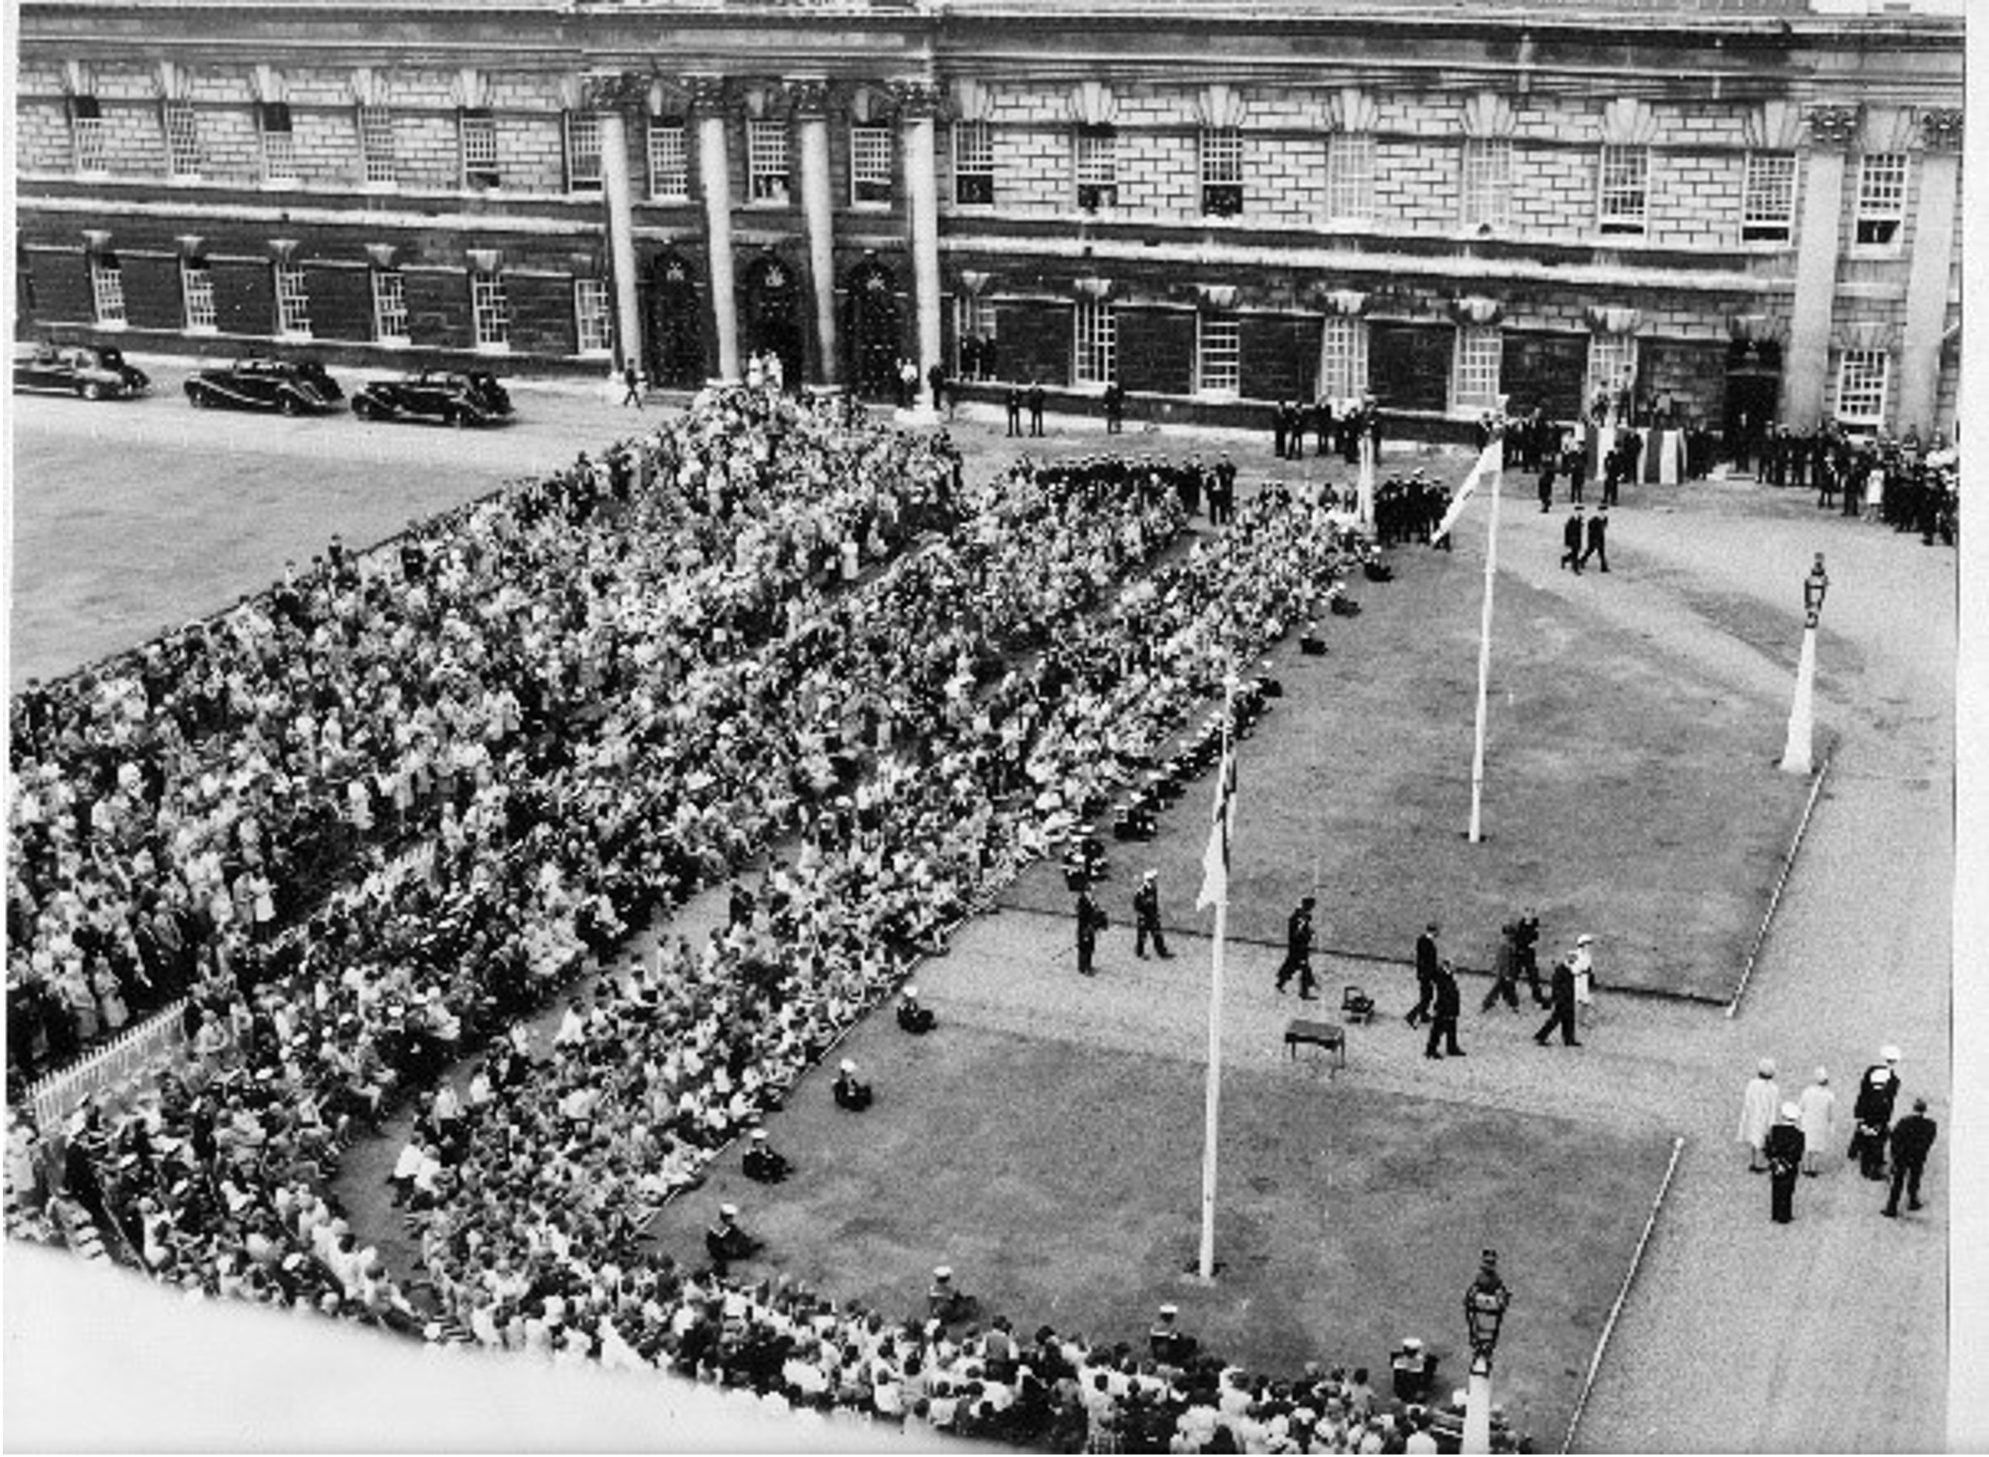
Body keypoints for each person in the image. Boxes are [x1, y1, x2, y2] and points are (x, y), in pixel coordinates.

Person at [1850, 1045, 1903, 1181]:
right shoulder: (1894, 1081)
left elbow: (1862, 1093)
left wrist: (1859, 1114)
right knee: (1876, 1142)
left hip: (1866, 1113)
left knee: (1863, 1134)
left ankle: (1856, 1152)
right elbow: (1890, 1101)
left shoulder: (1871, 1071)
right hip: (1879, 1118)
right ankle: (1871, 1168)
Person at [1882, 1098, 1937, 1217]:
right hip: (1918, 1157)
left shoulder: (1904, 1122)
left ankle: (1891, 1208)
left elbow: (1895, 1139)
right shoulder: (1931, 1125)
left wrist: (1894, 1156)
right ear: (1925, 1110)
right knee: (1914, 1179)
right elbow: (1929, 1141)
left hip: (1903, 1156)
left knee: (1898, 1182)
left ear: (1913, 1108)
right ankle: (1913, 1201)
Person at [1737, 1058, 1780, 1172]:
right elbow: (1773, 1107)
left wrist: (1746, 1115)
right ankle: (1759, 1164)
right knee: (1761, 1141)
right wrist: (1772, 1123)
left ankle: (1754, 1161)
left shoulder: (1752, 1084)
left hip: (1753, 1115)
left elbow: (1748, 1101)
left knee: (1754, 1138)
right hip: (1764, 1117)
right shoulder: (1773, 1088)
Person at [1765, 1102, 1805, 1224]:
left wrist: (1773, 1160)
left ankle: (1775, 1213)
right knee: (1787, 1191)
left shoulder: (1774, 1130)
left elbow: (1768, 1146)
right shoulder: (1799, 1135)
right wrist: (1788, 1163)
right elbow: (1798, 1154)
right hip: (1790, 1166)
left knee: (1775, 1188)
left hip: (1775, 1164)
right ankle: (1785, 1215)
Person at [1275, 896, 1318, 999]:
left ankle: (1281, 983)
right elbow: (1298, 933)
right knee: (1303, 968)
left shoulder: (1300, 916)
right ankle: (1304, 992)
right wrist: (1309, 935)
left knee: (1292, 966)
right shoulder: (1300, 918)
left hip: (1296, 948)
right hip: (1299, 948)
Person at [1533, 956, 1580, 1047]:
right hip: (1562, 999)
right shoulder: (1561, 970)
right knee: (1555, 1020)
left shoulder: (1571, 970)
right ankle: (1540, 1036)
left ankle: (1569, 1039)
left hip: (1569, 998)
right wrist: (1558, 998)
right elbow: (1556, 986)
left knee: (1568, 1019)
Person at [1797, 1068, 1835, 1176]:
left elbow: (1800, 1107)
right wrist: (1831, 1126)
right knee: (1817, 1148)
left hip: (1807, 1123)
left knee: (1807, 1146)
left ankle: (1805, 1166)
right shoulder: (1829, 1096)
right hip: (1821, 1124)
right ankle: (1813, 1168)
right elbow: (1830, 1115)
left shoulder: (1807, 1091)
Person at [1423, 960, 1463, 1060]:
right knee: (1437, 1029)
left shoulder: (1447, 976)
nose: (1454, 969)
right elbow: (1445, 993)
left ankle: (1451, 1047)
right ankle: (1431, 1050)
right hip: (1444, 1007)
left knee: (1451, 1028)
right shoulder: (1442, 977)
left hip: (1449, 1006)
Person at [1483, 922, 1523, 1013]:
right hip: (1504, 972)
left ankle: (1511, 1005)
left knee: (1505, 988)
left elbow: (1504, 960)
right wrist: (1507, 974)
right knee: (1501, 988)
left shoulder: (1507, 945)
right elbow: (1504, 961)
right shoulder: (1506, 946)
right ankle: (1487, 1004)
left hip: (1504, 972)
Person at [1132, 870, 1172, 960]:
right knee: (1142, 936)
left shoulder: (1153, 889)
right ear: (1148, 880)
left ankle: (1162, 952)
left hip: (1152, 916)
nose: (1155, 881)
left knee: (1157, 934)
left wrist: (1156, 913)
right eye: (1153, 879)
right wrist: (1141, 916)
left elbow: (1154, 903)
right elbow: (1136, 905)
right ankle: (1139, 952)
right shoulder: (1140, 892)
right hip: (1144, 917)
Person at [1406, 922, 1440, 1027]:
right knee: (1427, 996)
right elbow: (1427, 963)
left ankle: (1423, 1014)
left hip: (1424, 974)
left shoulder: (1422, 940)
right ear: (1433, 931)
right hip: (1426, 975)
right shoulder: (1427, 943)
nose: (1438, 933)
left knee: (1427, 995)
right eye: (1437, 931)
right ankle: (1412, 1015)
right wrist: (1431, 976)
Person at [705, 1203, 759, 1267]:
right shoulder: (725, 1228)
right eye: (730, 1217)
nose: (732, 1219)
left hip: (715, 1251)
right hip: (720, 1252)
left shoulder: (717, 1225)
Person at [1074, 887, 1107, 976]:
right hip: (1084, 928)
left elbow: (1096, 911)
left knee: (1090, 947)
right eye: (1089, 891)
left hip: (1091, 928)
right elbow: (1082, 915)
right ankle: (1083, 968)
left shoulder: (1092, 901)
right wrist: (1087, 926)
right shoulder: (1082, 901)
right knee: (1084, 948)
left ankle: (1088, 965)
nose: (1091, 893)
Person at [1570, 934, 1597, 1024]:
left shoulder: (1588, 955)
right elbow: (1570, 967)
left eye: (1589, 944)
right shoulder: (1574, 954)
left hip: (1585, 979)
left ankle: (1582, 1019)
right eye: (1587, 944)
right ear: (1582, 944)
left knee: (1586, 1001)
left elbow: (1589, 968)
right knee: (1576, 999)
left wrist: (1590, 977)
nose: (1589, 947)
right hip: (1577, 979)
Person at [1580, 507, 1610, 573]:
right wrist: (1594, 538)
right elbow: (1591, 528)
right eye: (1602, 511)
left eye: (1604, 511)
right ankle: (1582, 560)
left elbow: (1604, 527)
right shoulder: (1594, 520)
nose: (1603, 513)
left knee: (1600, 552)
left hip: (1600, 536)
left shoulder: (1605, 518)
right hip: (1593, 537)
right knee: (1591, 550)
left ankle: (1603, 566)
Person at [1561, 505, 1585, 574]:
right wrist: (1567, 542)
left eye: (1581, 511)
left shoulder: (1580, 518)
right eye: (1579, 511)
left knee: (1575, 553)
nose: (1580, 512)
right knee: (1575, 554)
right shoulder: (1571, 520)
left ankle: (1565, 559)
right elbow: (1567, 531)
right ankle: (1575, 569)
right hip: (1572, 539)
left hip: (1578, 538)